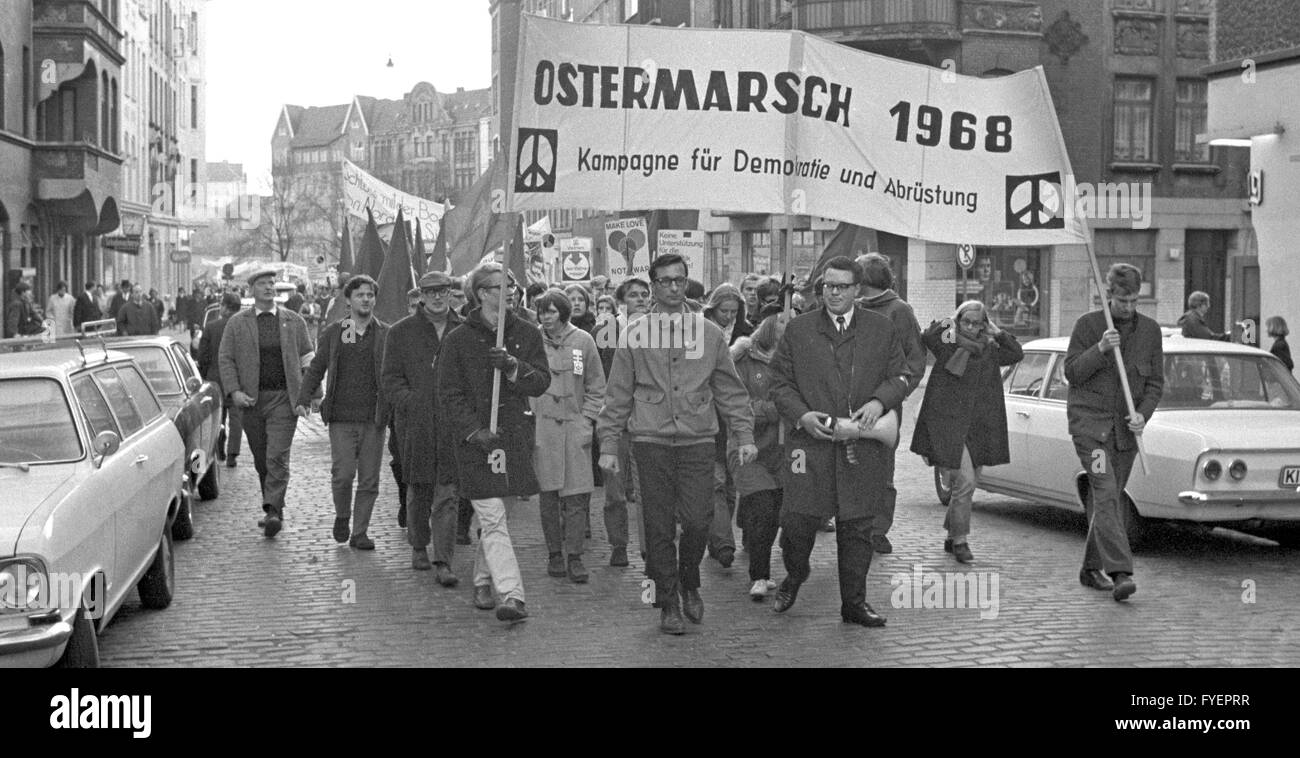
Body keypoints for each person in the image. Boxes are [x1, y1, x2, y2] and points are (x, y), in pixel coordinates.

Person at [597, 253, 757, 635]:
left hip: (697, 439)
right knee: (657, 524)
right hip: (650, 440)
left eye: (679, 280)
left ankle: (689, 580)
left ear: (686, 283)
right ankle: (668, 600)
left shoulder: (708, 333)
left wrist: (745, 435)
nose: (672, 287)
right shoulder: (635, 332)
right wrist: (607, 443)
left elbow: (731, 391)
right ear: (653, 285)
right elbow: (617, 394)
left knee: (700, 520)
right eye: (665, 280)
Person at [767, 256, 909, 628]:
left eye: (842, 286)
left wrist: (879, 402)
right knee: (796, 523)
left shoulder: (880, 328)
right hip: (807, 445)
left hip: (860, 445)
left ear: (857, 289)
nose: (833, 293)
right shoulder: (798, 329)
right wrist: (802, 415)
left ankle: (854, 604)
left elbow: (902, 374)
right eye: (828, 286)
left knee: (858, 527)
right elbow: (778, 384)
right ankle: (796, 574)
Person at [436, 262, 550, 622]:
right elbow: (448, 393)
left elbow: (541, 382)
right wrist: (473, 431)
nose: (512, 291)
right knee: (493, 515)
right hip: (475, 443)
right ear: (483, 293)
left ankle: (483, 580)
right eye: (503, 286)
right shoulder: (458, 339)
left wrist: (515, 367)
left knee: (499, 517)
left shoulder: (528, 333)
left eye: (513, 285)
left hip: (513, 436)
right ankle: (513, 596)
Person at [1065, 263, 1163, 602]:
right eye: (1123, 301)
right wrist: (1101, 349)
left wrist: (1142, 415)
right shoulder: (1088, 326)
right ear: (1109, 296)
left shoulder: (1150, 332)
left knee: (1108, 499)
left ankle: (1090, 568)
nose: (1129, 307)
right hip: (1090, 430)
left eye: (1135, 300)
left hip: (1125, 434)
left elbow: (1155, 384)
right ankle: (1121, 572)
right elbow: (1072, 374)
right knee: (1105, 492)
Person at [911, 300, 1023, 563]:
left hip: (980, 426)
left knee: (968, 485)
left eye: (977, 323)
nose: (972, 328)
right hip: (949, 424)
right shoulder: (948, 342)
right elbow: (929, 335)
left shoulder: (990, 349)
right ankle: (961, 541)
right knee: (966, 481)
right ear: (959, 321)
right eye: (967, 322)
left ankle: (951, 537)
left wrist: (996, 331)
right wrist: (952, 318)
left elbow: (1016, 353)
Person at [218, 269, 316, 538]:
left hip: (284, 399)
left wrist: (311, 394)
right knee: (262, 458)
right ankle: (274, 507)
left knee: (277, 456)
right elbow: (225, 359)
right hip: (251, 401)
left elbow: (309, 358)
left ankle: (273, 510)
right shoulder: (237, 324)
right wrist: (234, 391)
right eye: (262, 284)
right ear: (252, 290)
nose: (269, 287)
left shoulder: (293, 321)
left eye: (272, 283)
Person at [296, 275, 390, 551]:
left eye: (370, 295)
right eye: (360, 295)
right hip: (341, 416)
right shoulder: (337, 333)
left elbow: (394, 373)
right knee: (344, 474)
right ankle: (342, 515)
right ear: (348, 300)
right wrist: (304, 397)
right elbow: (317, 367)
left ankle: (359, 532)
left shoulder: (384, 333)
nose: (366, 299)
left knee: (370, 479)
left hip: (374, 418)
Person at [383, 271, 464, 586]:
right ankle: (418, 544)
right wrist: (411, 402)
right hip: (416, 424)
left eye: (443, 291)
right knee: (418, 487)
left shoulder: (463, 329)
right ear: (420, 296)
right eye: (431, 292)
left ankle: (443, 559)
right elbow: (389, 378)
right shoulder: (401, 332)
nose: (437, 297)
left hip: (453, 423)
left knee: (449, 492)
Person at [531, 290, 606, 582]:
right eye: (542, 312)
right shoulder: (532, 340)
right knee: (548, 494)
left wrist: (587, 418)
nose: (546, 318)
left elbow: (596, 384)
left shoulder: (584, 341)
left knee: (577, 496)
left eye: (551, 312)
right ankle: (554, 553)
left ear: (563, 312)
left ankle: (575, 555)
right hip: (544, 427)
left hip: (575, 426)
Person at [856, 253, 926, 554]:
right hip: (849, 400)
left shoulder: (900, 311)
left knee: (882, 469)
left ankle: (877, 529)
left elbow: (914, 361)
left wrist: (893, 395)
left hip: (884, 405)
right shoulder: (851, 306)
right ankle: (854, 524)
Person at [730, 303, 789, 600]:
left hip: (783, 451)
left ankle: (767, 561)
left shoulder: (796, 360)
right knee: (764, 509)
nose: (787, 324)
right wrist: (773, 409)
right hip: (749, 447)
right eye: (781, 320)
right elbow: (735, 404)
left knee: (776, 513)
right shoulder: (743, 359)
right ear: (769, 324)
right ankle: (759, 574)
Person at [702, 282, 752, 569]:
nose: (729, 316)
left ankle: (719, 536)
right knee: (715, 481)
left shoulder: (746, 331)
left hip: (733, 414)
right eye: (724, 310)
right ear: (714, 307)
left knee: (732, 482)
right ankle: (723, 542)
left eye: (734, 311)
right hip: (709, 413)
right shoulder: (699, 330)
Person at [197, 293, 245, 467]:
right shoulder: (244, 327)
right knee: (236, 419)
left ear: (225, 307)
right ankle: (232, 454)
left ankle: (218, 450)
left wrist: (203, 375)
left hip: (215, 379)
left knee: (217, 418)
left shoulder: (211, 327)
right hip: (238, 380)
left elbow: (203, 356)